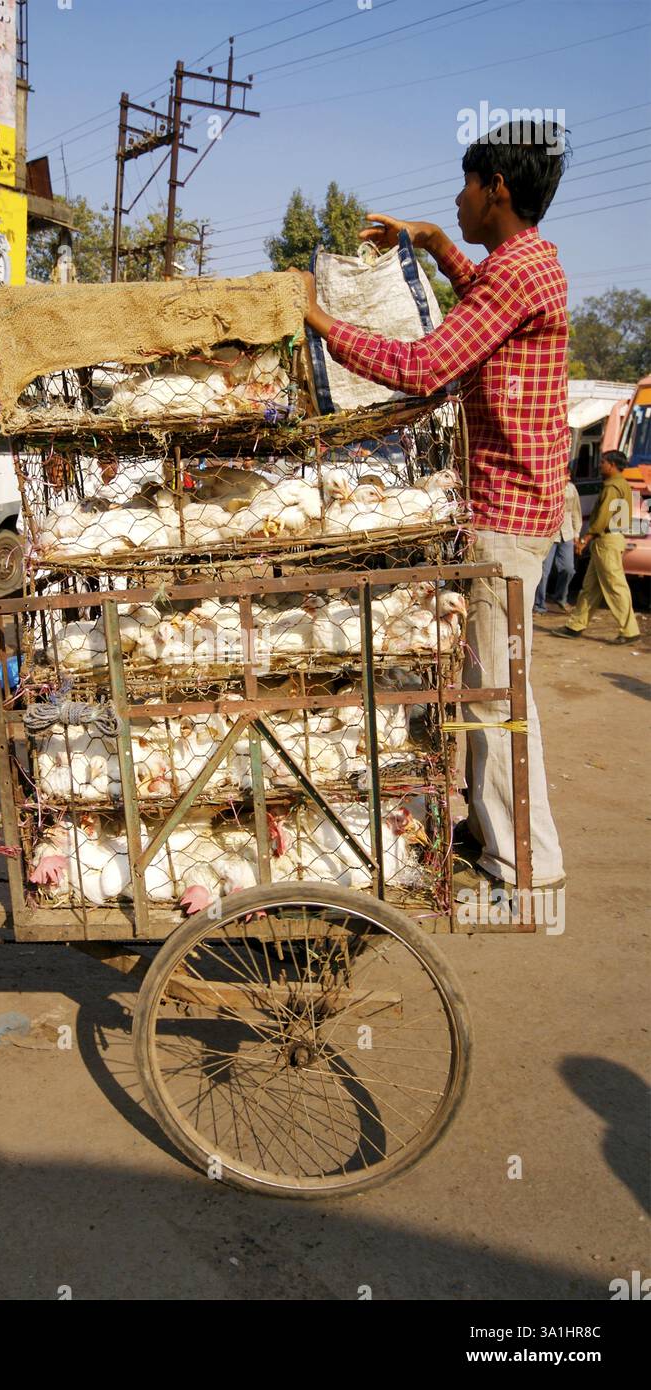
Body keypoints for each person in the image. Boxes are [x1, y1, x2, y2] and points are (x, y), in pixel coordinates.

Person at [299, 119, 569, 893]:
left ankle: (524, 861)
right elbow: (483, 292)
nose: (457, 199)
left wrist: (323, 324)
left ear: (498, 191)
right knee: (493, 685)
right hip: (518, 509)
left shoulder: (518, 275)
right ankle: (497, 835)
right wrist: (430, 242)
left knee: (494, 696)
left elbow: (427, 367)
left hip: (506, 517)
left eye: (465, 186)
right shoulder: (525, 263)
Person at [554, 449, 640, 645]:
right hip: (611, 540)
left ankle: (629, 630)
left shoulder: (611, 487)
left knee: (615, 586)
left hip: (607, 541)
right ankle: (575, 626)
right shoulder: (622, 484)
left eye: (603, 462)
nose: (600, 465)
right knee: (589, 588)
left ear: (612, 464)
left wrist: (586, 538)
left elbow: (602, 518)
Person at [534, 475, 582, 613]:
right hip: (549, 534)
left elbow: (575, 512)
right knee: (544, 572)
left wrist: (577, 534)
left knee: (568, 569)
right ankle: (539, 605)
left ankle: (561, 598)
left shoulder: (571, 489)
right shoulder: (548, 487)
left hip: (567, 533)